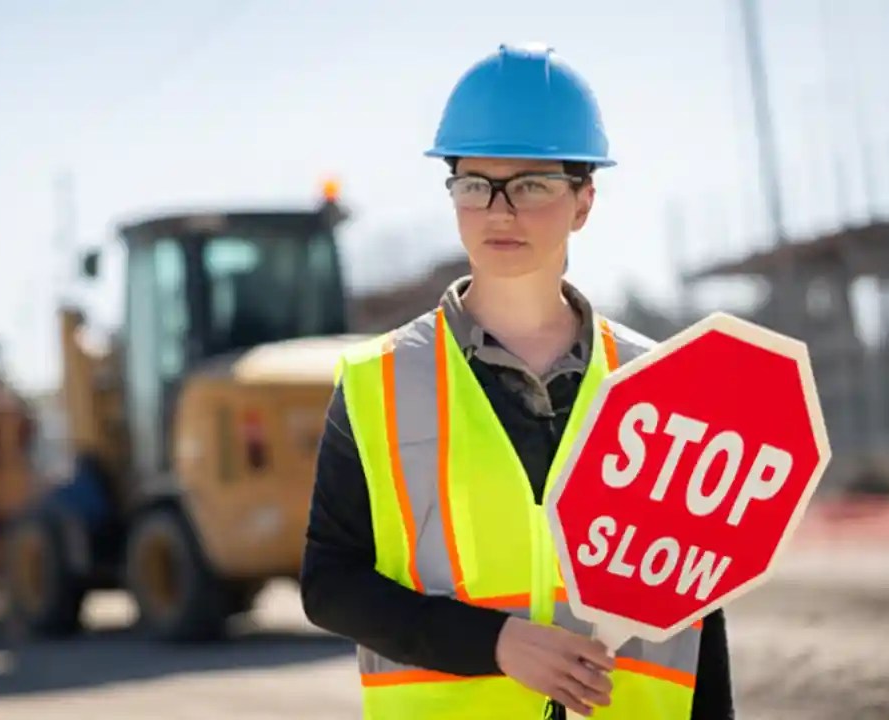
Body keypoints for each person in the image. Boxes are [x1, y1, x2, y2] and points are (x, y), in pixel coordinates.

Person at [300, 43, 735, 719]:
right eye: (475, 185)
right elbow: (330, 584)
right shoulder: (376, 382)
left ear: (584, 201)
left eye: (530, 185)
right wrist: (495, 643)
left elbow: (700, 612)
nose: (499, 211)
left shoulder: (659, 382)